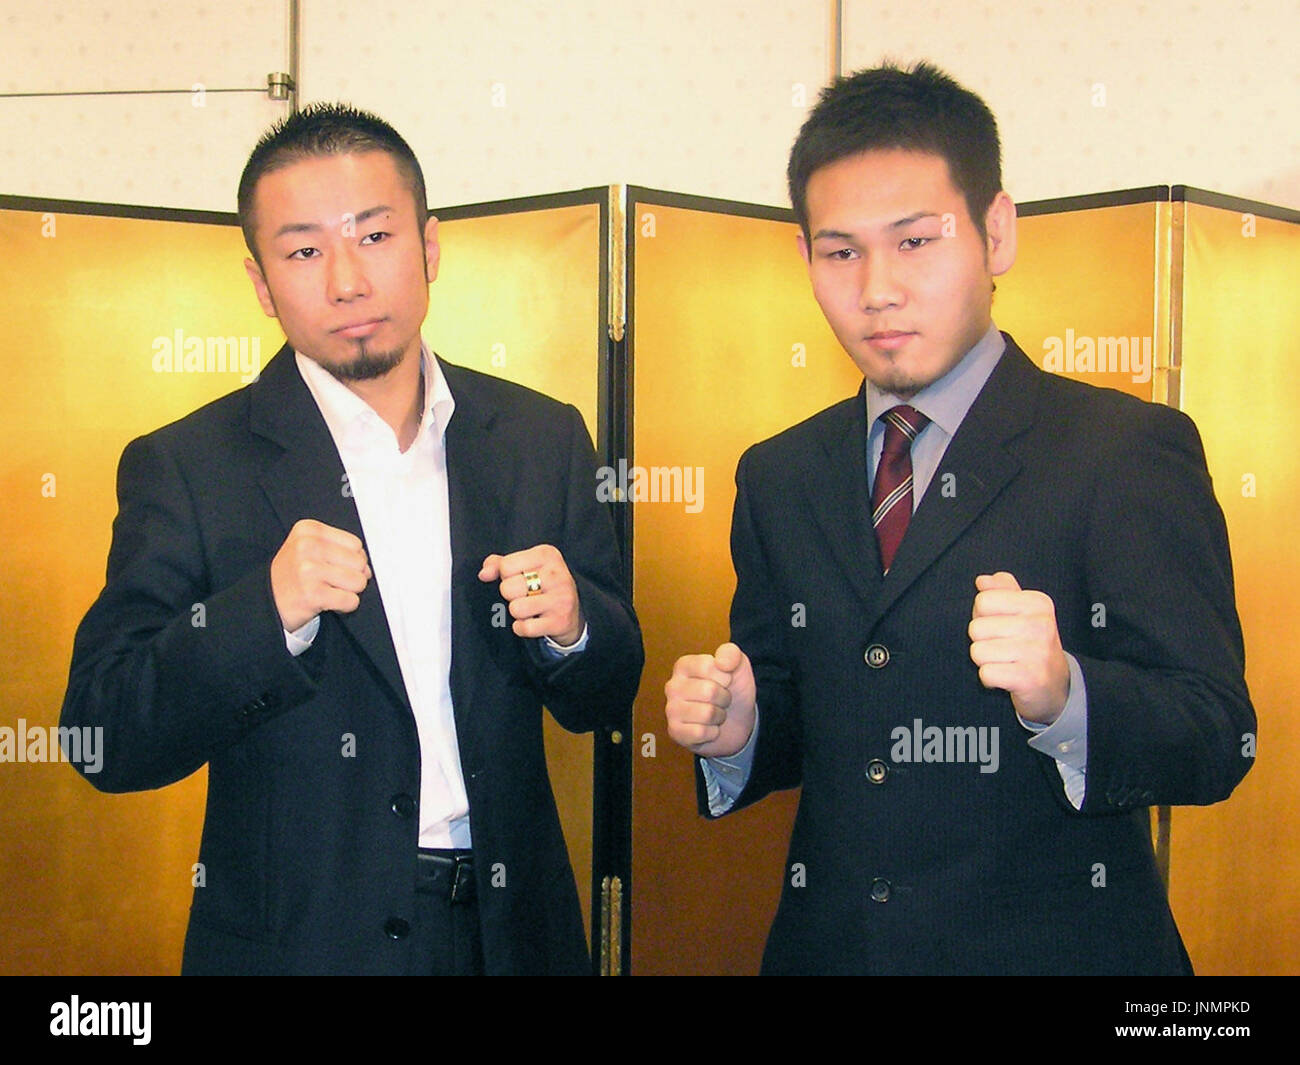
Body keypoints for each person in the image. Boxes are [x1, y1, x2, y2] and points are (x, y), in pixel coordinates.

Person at [663, 62, 1255, 975]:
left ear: (996, 232)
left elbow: (1216, 733)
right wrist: (744, 729)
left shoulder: (1124, 449)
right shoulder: (779, 473)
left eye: (915, 242)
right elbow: (809, 707)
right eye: (841, 251)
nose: (877, 290)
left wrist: (1066, 693)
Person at [60, 103, 643, 975]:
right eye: (303, 250)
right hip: (302, 943)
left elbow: (608, 693)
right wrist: (265, 611)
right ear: (260, 283)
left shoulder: (538, 435)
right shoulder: (188, 464)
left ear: (430, 247)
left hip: (512, 932)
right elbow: (101, 732)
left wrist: (575, 627)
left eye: (374, 236)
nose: (345, 280)